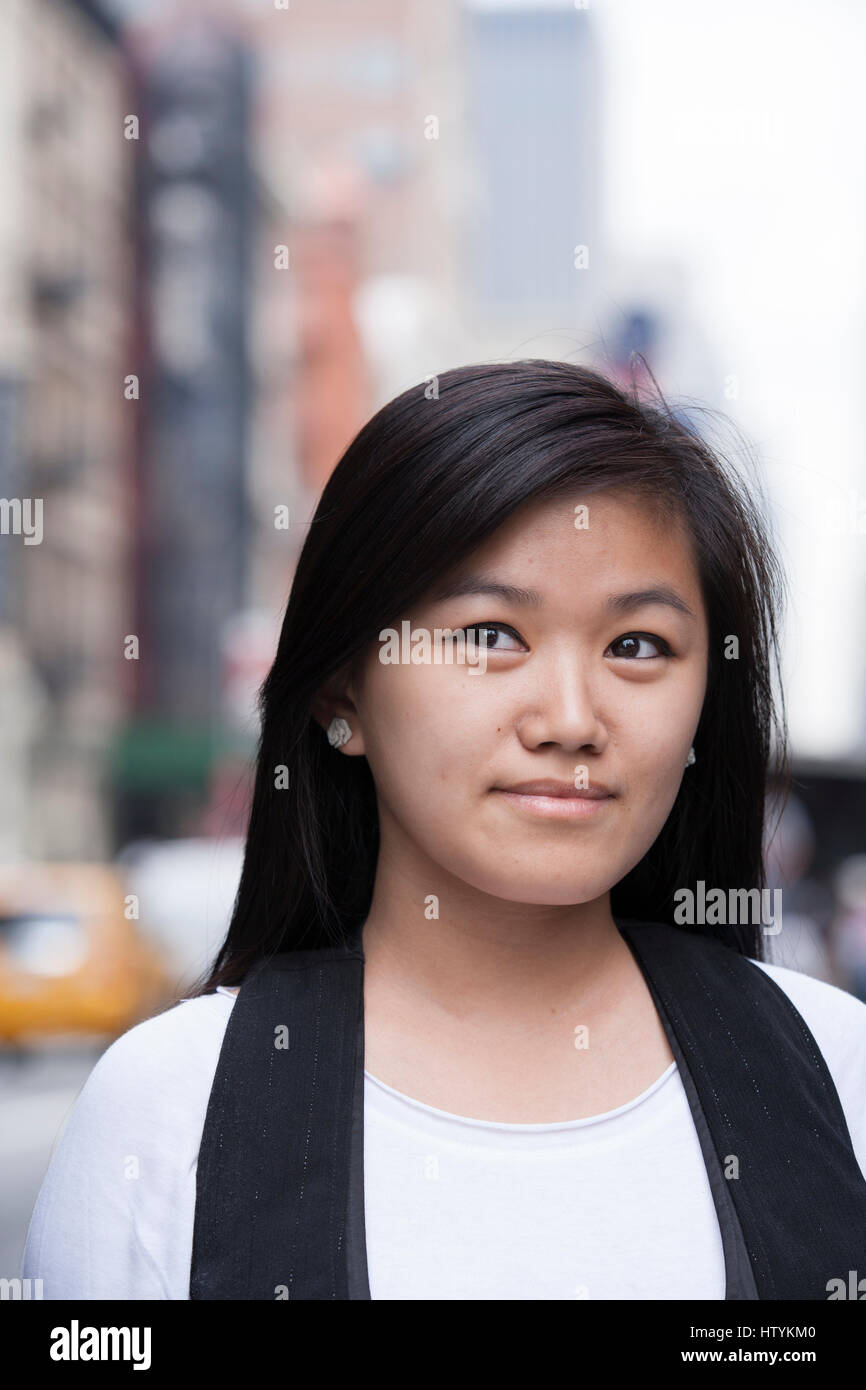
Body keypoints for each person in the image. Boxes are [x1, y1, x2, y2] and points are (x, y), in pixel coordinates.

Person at [22, 359, 866, 1300]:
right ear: (343, 691)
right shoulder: (171, 1107)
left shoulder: (836, 1074)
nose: (570, 719)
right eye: (490, 635)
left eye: (637, 646)